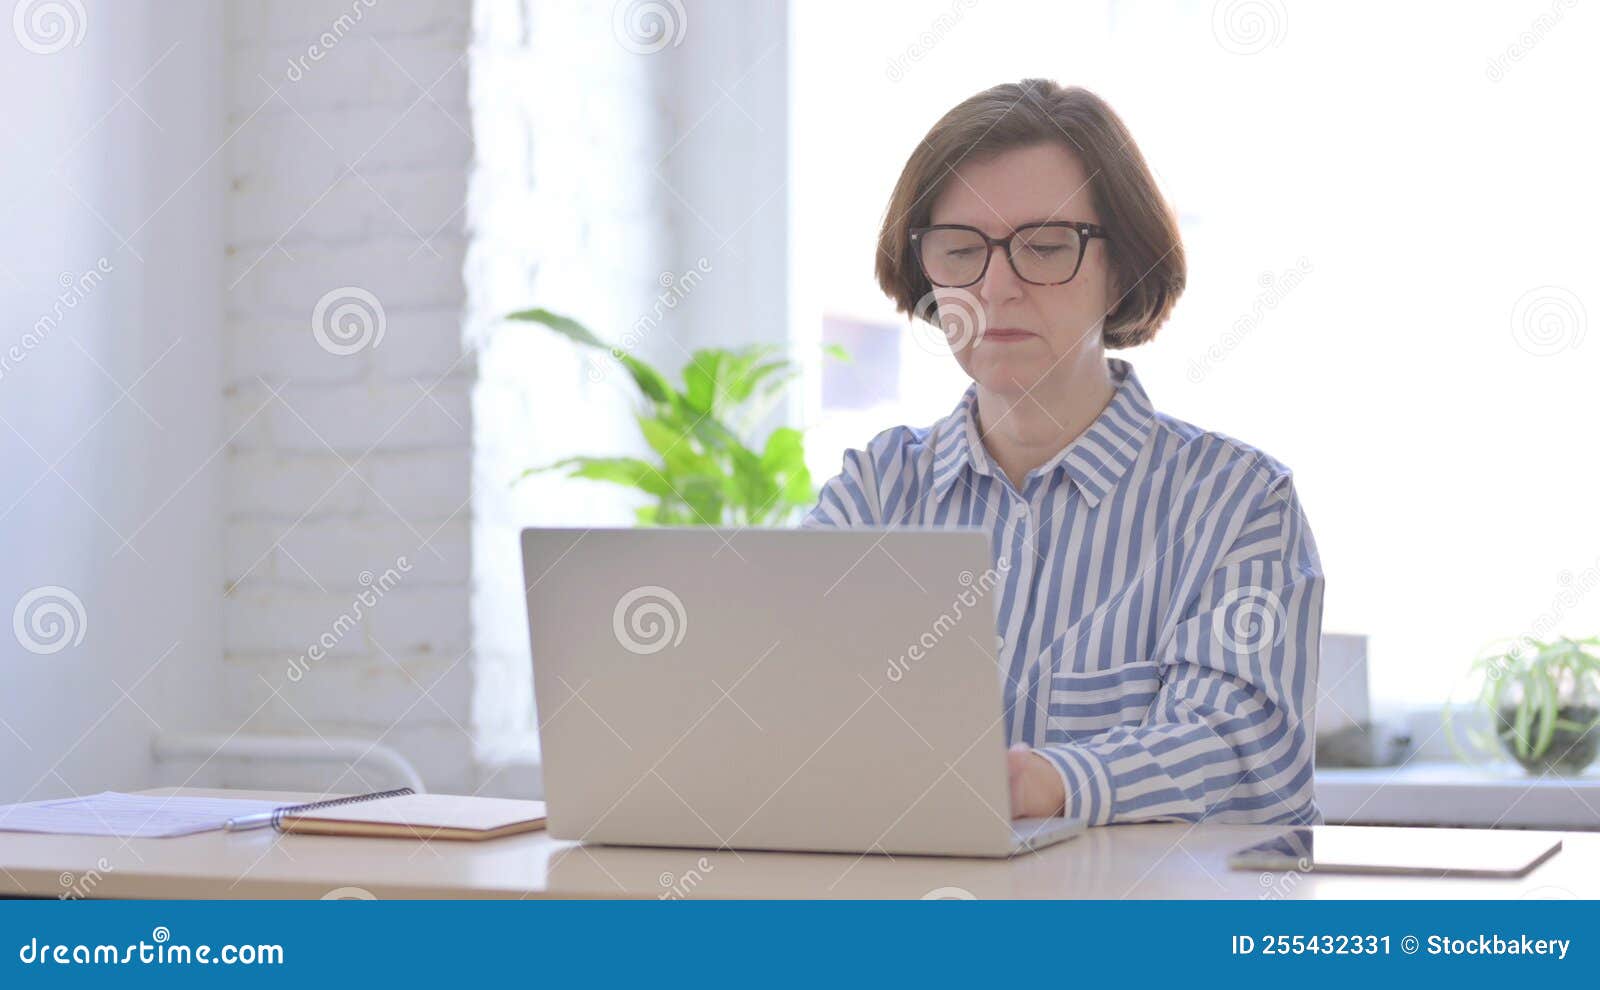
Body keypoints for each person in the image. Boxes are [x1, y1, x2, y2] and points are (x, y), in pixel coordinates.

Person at [805, 80, 1324, 826]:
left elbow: (1243, 756)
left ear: (1121, 270)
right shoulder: (874, 494)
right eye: (959, 252)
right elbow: (783, 715)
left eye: (1045, 248)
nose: (996, 288)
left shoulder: (1238, 503)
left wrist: (1042, 782)